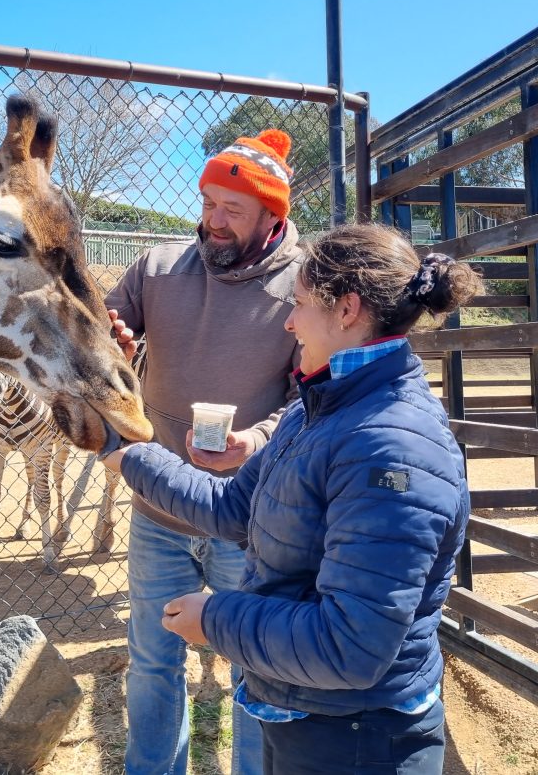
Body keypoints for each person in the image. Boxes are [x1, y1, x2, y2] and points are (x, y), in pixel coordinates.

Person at [103, 223, 479, 775]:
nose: (289, 321)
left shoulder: (391, 448)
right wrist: (127, 452)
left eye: (299, 304)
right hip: (304, 710)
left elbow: (350, 645)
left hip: (358, 737)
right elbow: (233, 509)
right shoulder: (320, 407)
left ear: (346, 309)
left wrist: (217, 618)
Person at [104, 129, 305, 775]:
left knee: (252, 667)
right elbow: (103, 328)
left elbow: (311, 400)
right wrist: (112, 335)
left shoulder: (305, 290)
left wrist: (256, 440)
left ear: (273, 215)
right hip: (159, 511)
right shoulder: (159, 268)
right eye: (209, 203)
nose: (213, 222)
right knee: (154, 660)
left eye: (233, 210)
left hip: (247, 521)